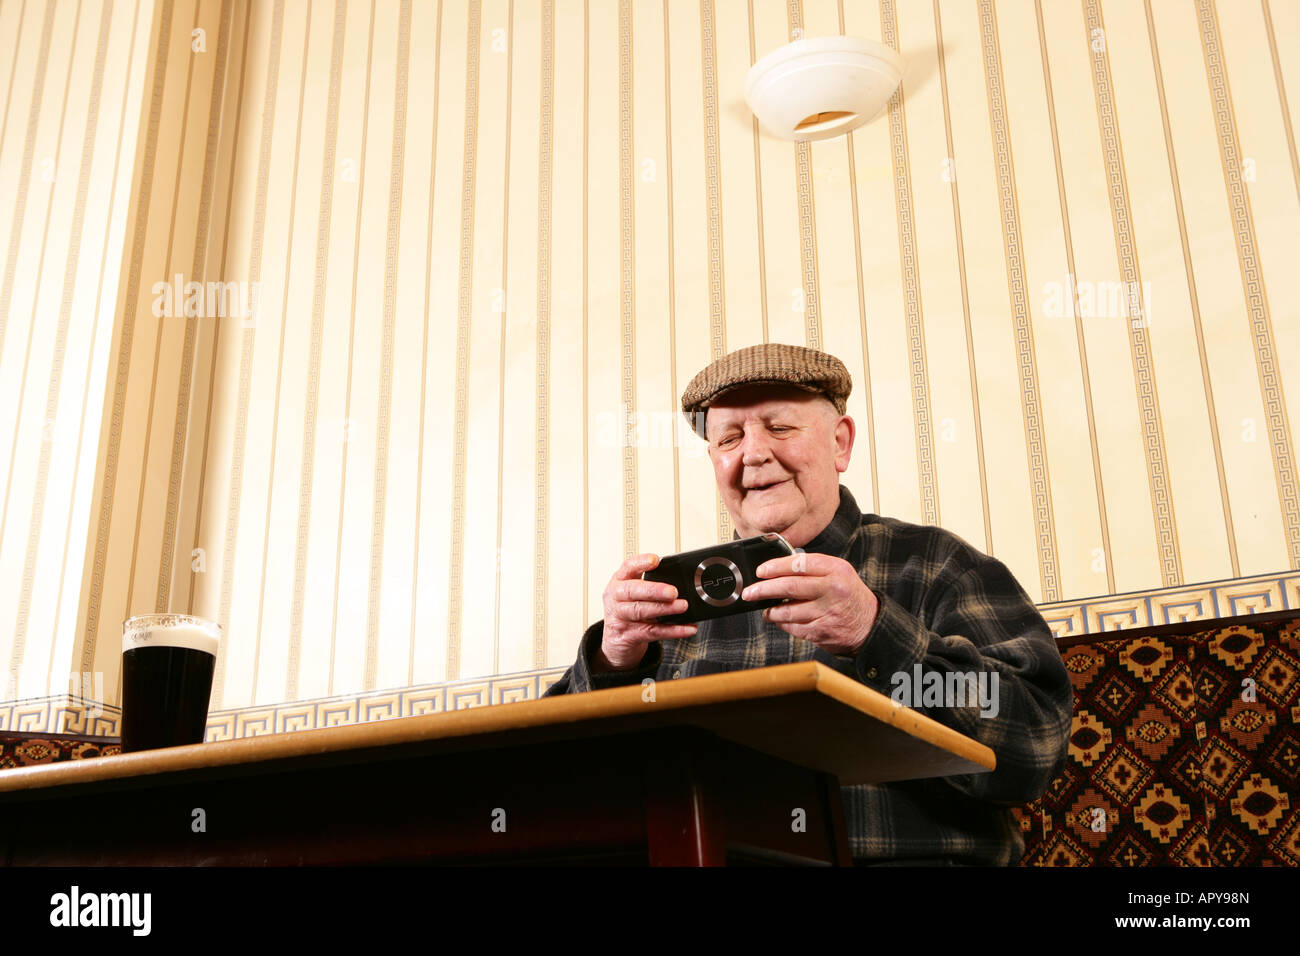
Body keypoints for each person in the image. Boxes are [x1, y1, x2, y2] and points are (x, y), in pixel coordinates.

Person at [544, 342, 1074, 865]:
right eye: (729, 438)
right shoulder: (673, 603)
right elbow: (548, 788)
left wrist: (875, 631)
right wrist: (613, 662)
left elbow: (1034, 749)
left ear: (840, 444)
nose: (753, 453)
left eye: (779, 427)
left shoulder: (936, 564)